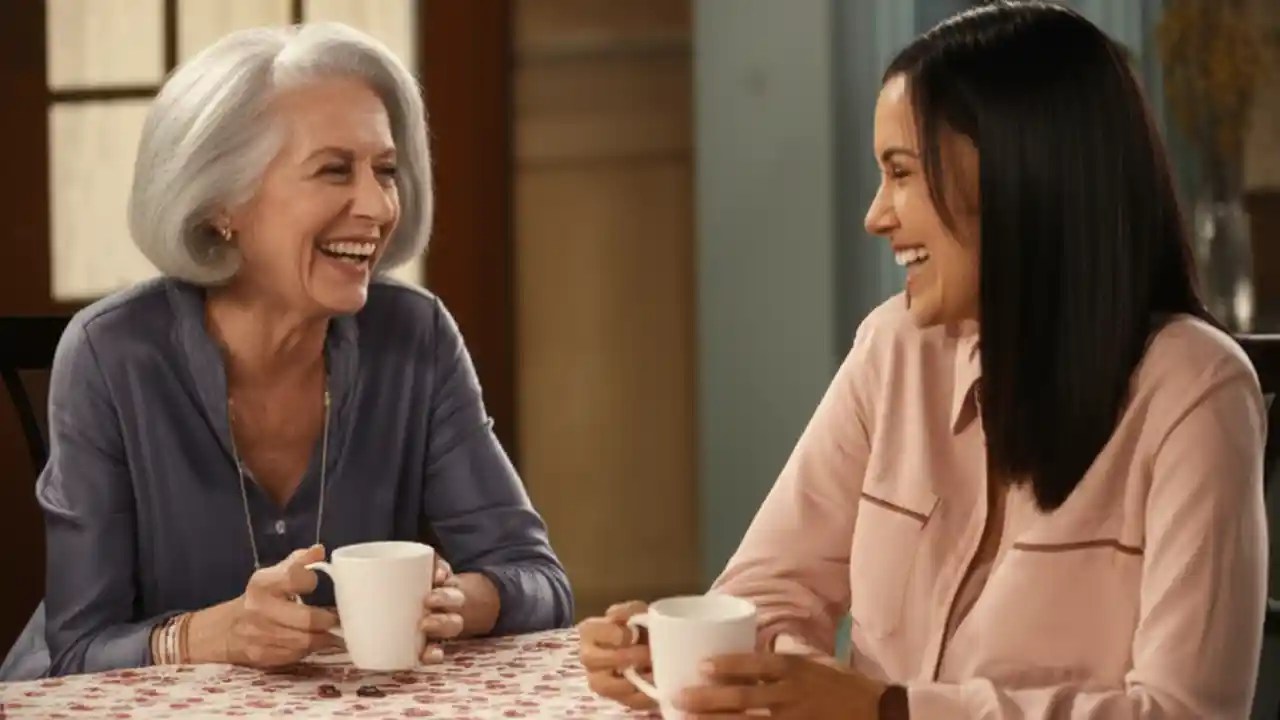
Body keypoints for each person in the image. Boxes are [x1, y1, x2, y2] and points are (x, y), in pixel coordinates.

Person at [578, 2, 1267, 718]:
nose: (877, 215)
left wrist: (890, 710)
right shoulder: (895, 349)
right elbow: (766, 593)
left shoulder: (1195, 390)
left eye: (902, 173)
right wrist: (685, 653)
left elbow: (1185, 711)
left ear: (1018, 173)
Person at [0, 22, 572, 681]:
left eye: (385, 171)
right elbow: (75, 650)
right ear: (222, 203)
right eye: (334, 171)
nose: (378, 205)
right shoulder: (110, 354)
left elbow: (540, 582)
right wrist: (201, 636)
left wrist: (464, 602)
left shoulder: (417, 337)